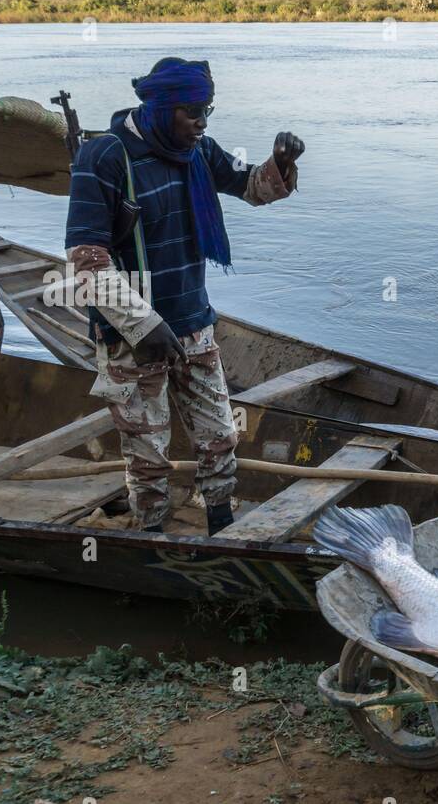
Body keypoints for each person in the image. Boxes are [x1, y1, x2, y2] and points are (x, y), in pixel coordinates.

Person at [63, 57, 305, 535]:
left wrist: (280, 163)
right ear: (162, 107)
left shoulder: (197, 150)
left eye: (208, 111)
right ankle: (151, 536)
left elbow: (253, 187)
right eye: (193, 111)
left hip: (192, 321)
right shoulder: (106, 156)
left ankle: (221, 522)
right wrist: (142, 324)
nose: (202, 122)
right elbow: (86, 258)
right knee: (147, 452)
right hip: (131, 336)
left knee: (219, 437)